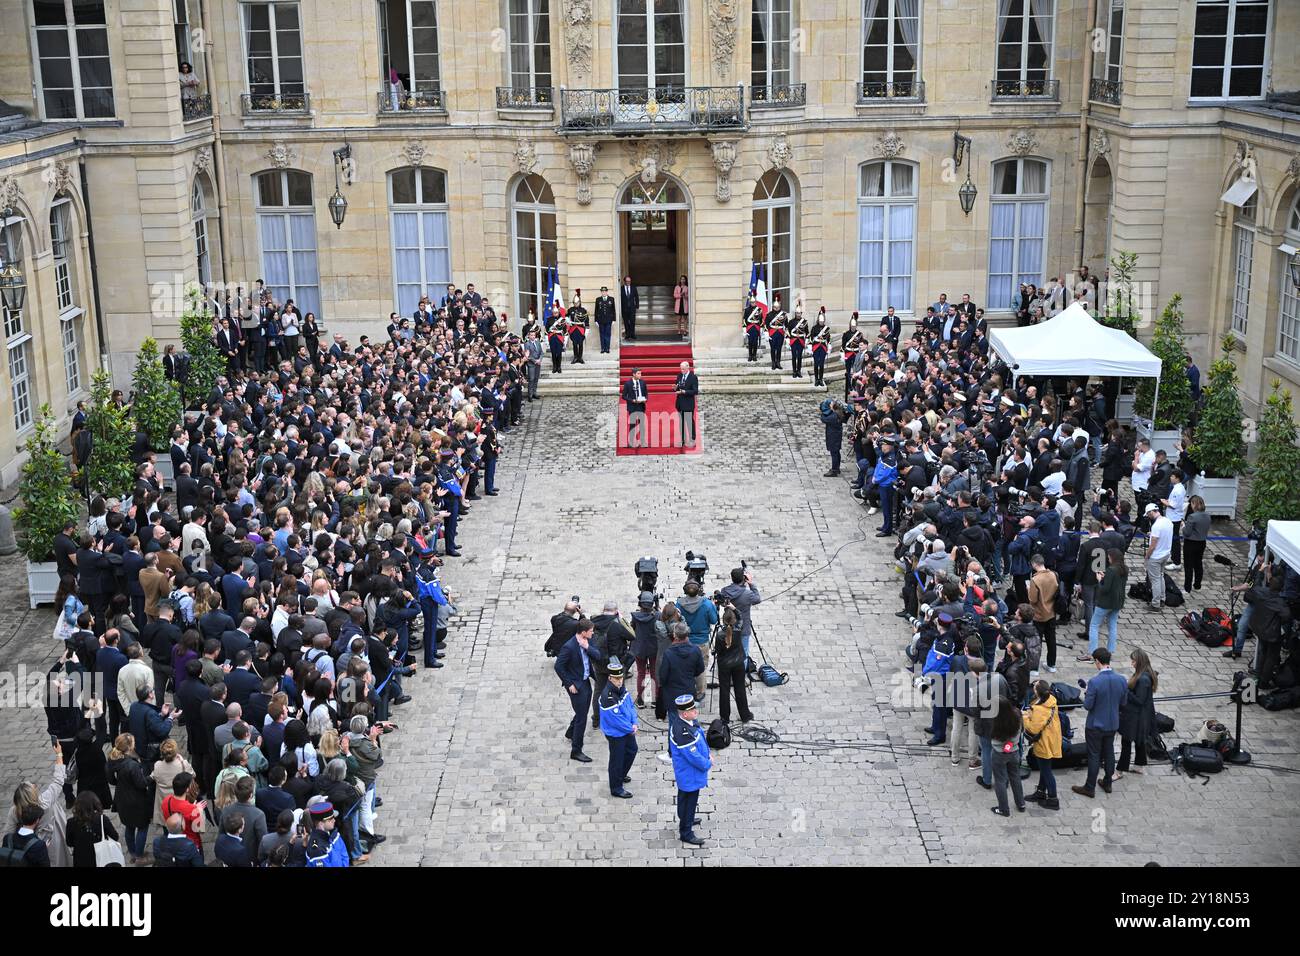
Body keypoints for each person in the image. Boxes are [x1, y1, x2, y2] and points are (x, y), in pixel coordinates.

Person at [1071, 648, 1128, 799]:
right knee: (1109, 752)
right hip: (1112, 724)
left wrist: (1088, 692)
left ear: (1097, 661)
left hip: (1095, 725)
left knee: (1094, 755)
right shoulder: (1122, 680)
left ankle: (1089, 787)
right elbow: (1123, 702)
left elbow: (1088, 706)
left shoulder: (1095, 682)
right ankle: (1108, 782)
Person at [3, 742, 70, 866]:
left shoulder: (14, 810)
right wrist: (59, 754)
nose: (35, 785)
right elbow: (58, 780)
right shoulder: (45, 801)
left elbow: (8, 833)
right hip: (48, 842)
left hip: (25, 848)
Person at [668, 695, 712, 846]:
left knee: (684, 797)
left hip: (688, 773)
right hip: (689, 773)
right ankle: (686, 832)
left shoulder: (687, 722)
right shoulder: (683, 731)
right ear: (684, 714)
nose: (696, 711)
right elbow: (693, 756)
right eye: (693, 709)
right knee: (689, 800)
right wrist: (707, 763)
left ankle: (686, 817)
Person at [555, 618, 598, 763]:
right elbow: (558, 666)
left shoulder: (588, 641)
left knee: (583, 712)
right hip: (576, 685)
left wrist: (587, 647)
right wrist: (569, 684)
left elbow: (597, 656)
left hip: (585, 681)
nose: (593, 633)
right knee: (582, 718)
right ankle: (576, 750)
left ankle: (570, 732)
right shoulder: (569, 647)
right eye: (591, 631)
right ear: (584, 632)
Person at [106, 733, 153, 864]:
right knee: (143, 827)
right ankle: (139, 856)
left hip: (122, 798)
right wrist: (151, 777)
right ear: (129, 747)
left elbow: (111, 779)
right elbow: (141, 783)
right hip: (136, 801)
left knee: (129, 826)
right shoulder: (132, 765)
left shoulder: (112, 759)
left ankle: (132, 852)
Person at [598, 659, 638, 798]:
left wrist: (635, 721)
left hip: (626, 729)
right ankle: (616, 787)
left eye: (621, 677)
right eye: (616, 678)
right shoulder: (608, 696)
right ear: (610, 678)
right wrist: (630, 728)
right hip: (616, 733)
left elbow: (630, 705)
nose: (620, 681)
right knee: (617, 759)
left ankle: (620, 774)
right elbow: (616, 720)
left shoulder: (621, 688)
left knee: (632, 750)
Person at [1117, 647, 1158, 778]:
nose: (1132, 663)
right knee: (1139, 741)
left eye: (1133, 661)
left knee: (1126, 742)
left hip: (1136, 717)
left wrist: (1126, 690)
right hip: (1141, 716)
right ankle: (1139, 766)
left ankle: (1120, 770)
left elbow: (1139, 700)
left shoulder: (1143, 679)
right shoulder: (1145, 675)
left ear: (1139, 662)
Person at [1022, 679, 1062, 810]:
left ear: (1037, 692)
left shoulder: (1040, 709)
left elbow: (1033, 728)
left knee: (1046, 771)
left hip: (1044, 742)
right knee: (1045, 768)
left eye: (1035, 686)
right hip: (1052, 739)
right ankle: (1040, 792)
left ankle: (1053, 799)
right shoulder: (1050, 700)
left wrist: (1024, 717)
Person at [675, 582, 718, 698]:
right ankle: (700, 692)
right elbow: (714, 620)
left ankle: (686, 689)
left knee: (685, 666)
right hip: (702, 641)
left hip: (685, 640)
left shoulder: (679, 604)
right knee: (701, 667)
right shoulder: (707, 604)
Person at [713, 607, 753, 724]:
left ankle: (725, 717)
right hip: (738, 663)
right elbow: (741, 618)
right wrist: (734, 608)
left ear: (723, 620)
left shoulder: (720, 635)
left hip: (724, 665)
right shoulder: (738, 629)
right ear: (734, 620)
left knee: (724, 690)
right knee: (740, 688)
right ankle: (745, 715)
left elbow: (718, 651)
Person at [717, 567, 761, 673]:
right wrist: (751, 584)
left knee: (728, 649)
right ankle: (740, 675)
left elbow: (722, 603)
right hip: (744, 627)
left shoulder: (725, 591)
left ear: (732, 578)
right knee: (744, 653)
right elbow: (758, 599)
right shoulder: (748, 594)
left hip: (728, 626)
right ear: (744, 578)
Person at [988, 693, 1025, 817]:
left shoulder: (994, 721)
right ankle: (1021, 804)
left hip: (998, 754)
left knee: (1000, 780)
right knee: (1015, 777)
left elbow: (992, 737)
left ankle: (1004, 809)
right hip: (1014, 751)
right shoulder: (1017, 715)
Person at [1085, 548, 1127, 657]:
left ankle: (1092, 652)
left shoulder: (1111, 570)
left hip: (1106, 603)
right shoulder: (1124, 569)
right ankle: (1111, 650)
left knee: (1094, 625)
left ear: (1112, 557)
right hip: (1117, 602)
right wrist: (1105, 578)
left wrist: (1100, 580)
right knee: (1112, 626)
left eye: (1108, 557)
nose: (1107, 559)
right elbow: (1115, 583)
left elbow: (1105, 589)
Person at [65, 792, 119, 868]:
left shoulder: (71, 822)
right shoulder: (102, 819)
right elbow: (115, 837)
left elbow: (69, 843)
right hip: (101, 857)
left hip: (81, 859)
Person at [1143, 502, 1172, 611]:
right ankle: (1162, 599)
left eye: (1148, 514)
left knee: (1155, 580)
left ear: (1151, 512)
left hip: (1156, 556)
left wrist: (1146, 557)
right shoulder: (1168, 521)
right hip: (1166, 554)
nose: (1148, 517)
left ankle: (1155, 604)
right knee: (1161, 576)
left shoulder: (1156, 526)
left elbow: (1153, 545)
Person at [304, 800, 350, 867]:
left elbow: (344, 853)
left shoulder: (333, 833)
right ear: (321, 823)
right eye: (330, 820)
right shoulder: (317, 850)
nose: (334, 820)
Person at [1181, 494, 1210, 593]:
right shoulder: (1207, 515)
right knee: (1198, 564)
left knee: (1188, 566)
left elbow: (1187, 532)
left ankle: (1187, 588)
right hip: (1202, 543)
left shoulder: (1192, 517)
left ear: (1194, 504)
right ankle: (1197, 585)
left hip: (1190, 544)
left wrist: (1183, 526)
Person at [673, 361, 698, 448]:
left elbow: (695, 391)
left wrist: (685, 391)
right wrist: (675, 388)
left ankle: (692, 440)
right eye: (681, 369)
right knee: (681, 422)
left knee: (689, 422)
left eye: (683, 369)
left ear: (688, 368)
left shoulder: (693, 377)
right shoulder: (679, 375)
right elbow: (677, 386)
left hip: (688, 403)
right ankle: (683, 440)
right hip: (680, 403)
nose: (682, 370)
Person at [621, 368, 648, 447]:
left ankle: (643, 442)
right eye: (638, 373)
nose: (640, 375)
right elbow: (623, 396)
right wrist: (632, 400)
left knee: (641, 424)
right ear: (634, 374)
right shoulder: (628, 384)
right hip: (632, 406)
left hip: (641, 405)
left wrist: (645, 399)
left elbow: (646, 393)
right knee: (633, 424)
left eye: (640, 373)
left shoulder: (643, 383)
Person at [594, 286, 616, 353]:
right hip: (601, 320)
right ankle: (603, 348)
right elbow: (596, 310)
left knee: (608, 334)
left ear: (607, 292)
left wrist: (614, 319)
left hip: (609, 320)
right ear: (601, 292)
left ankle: (607, 348)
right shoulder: (598, 299)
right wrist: (596, 320)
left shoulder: (611, 299)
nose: (603, 292)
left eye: (605, 291)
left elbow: (613, 310)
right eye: (602, 291)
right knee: (602, 334)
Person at [620, 275, 639, 341]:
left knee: (632, 321)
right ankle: (627, 334)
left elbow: (636, 297)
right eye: (627, 281)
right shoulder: (621, 288)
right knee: (626, 322)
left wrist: (637, 305)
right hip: (624, 308)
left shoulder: (633, 288)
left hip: (632, 308)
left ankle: (632, 334)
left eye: (629, 281)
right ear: (624, 281)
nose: (628, 282)